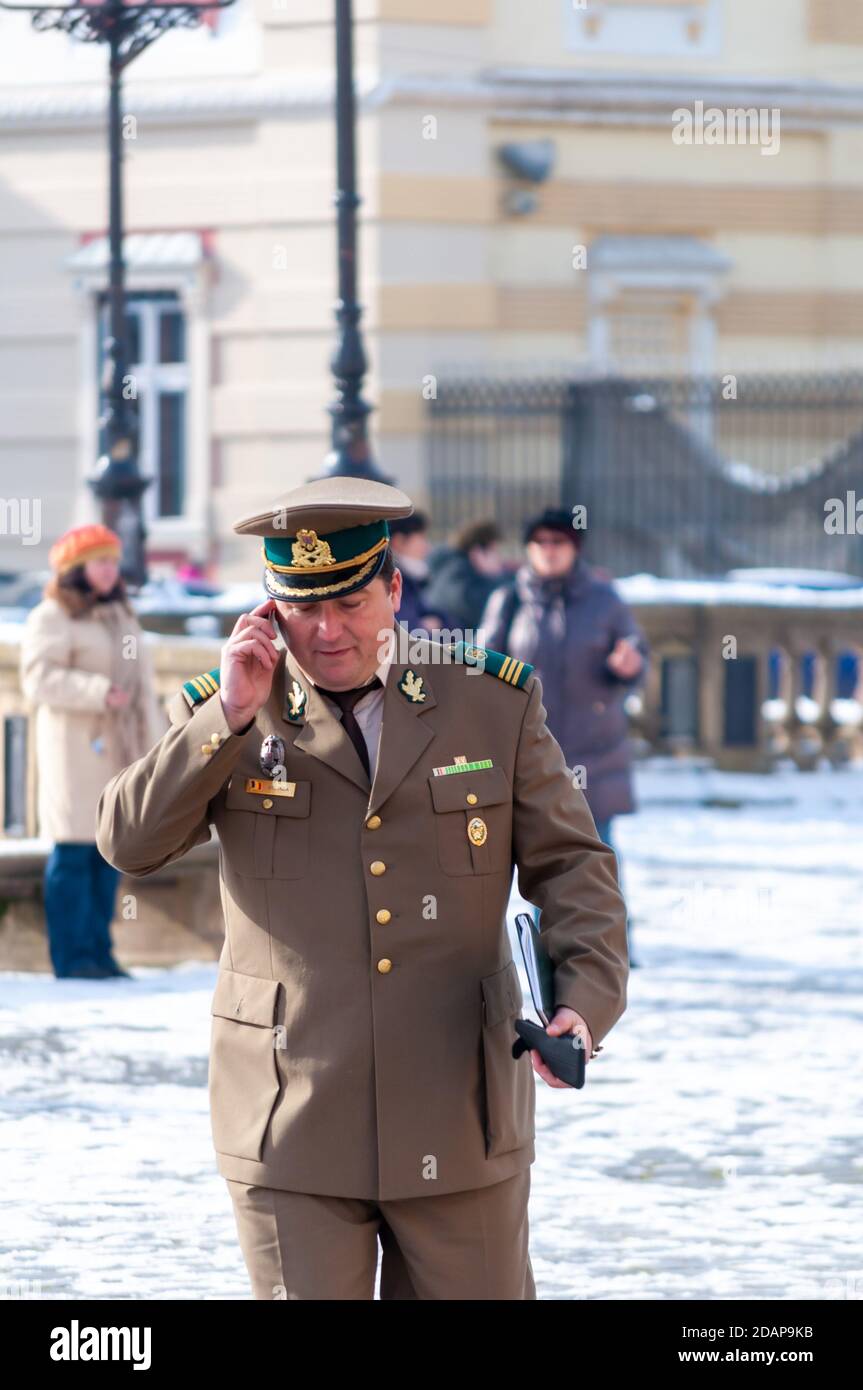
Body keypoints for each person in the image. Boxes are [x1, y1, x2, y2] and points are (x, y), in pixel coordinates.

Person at [96, 477, 628, 1301]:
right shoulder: (234, 710)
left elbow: (573, 867)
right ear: (269, 611)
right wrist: (226, 721)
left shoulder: (488, 702)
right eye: (302, 608)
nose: (327, 630)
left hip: (459, 1114)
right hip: (290, 1118)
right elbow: (130, 844)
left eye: (348, 601)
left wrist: (582, 1003)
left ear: (394, 589)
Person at [479, 508, 648, 965]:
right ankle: (545, 950)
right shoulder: (509, 600)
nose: (549, 551)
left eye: (559, 542)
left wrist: (627, 666)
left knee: (599, 854)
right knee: (541, 857)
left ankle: (610, 946)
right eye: (540, 543)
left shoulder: (605, 600)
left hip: (595, 754)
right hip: (531, 755)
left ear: (575, 549)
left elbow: (636, 655)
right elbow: (481, 667)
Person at [19, 523, 165, 979]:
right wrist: (97, 691)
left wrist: (156, 741)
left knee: (109, 851)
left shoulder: (122, 613)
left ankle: (100, 952)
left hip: (118, 750)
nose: (109, 570)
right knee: (74, 853)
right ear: (76, 569)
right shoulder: (53, 616)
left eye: (112, 561)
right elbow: (38, 678)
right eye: (99, 561)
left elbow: (142, 684)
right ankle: (72, 957)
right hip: (75, 751)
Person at [424, 519, 505, 634]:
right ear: (478, 552)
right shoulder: (458, 574)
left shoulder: (451, 568)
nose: (498, 558)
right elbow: (487, 609)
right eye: (495, 551)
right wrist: (492, 576)